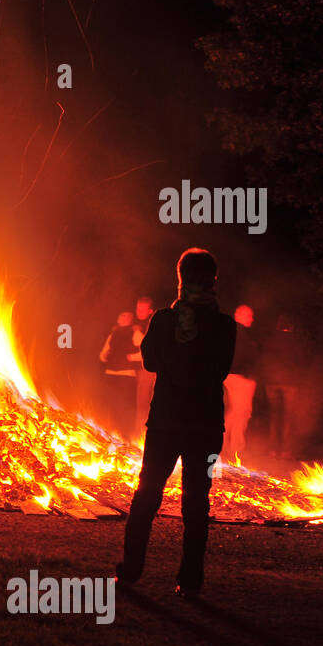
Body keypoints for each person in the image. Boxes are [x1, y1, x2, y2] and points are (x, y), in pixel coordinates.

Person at [116, 248, 237, 598]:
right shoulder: (224, 325)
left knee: (146, 495)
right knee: (197, 502)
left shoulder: (164, 319)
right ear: (213, 280)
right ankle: (190, 581)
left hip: (166, 422)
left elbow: (151, 363)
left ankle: (129, 572)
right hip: (206, 426)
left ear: (180, 278)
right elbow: (220, 371)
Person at [262, 313, 306, 459]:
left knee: (274, 417)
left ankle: (272, 450)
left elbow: (265, 359)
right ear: (291, 326)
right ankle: (286, 450)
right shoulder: (295, 341)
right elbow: (301, 360)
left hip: (272, 382)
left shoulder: (270, 339)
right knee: (287, 417)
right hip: (290, 383)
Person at [222, 304, 259, 462]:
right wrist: (249, 377)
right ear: (239, 315)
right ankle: (234, 448)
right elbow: (243, 357)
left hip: (233, 376)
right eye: (249, 315)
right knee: (241, 413)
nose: (252, 319)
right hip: (239, 377)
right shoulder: (239, 333)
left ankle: (227, 446)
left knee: (237, 412)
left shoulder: (231, 332)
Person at [98, 311, 137, 438]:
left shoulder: (135, 333)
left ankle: (124, 435)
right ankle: (110, 433)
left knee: (124, 407)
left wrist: (132, 357)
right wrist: (106, 357)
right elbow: (102, 355)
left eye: (124, 315)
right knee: (110, 405)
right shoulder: (113, 334)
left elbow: (146, 351)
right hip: (111, 374)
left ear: (131, 320)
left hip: (126, 376)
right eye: (120, 315)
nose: (121, 317)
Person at [131, 296, 156, 441]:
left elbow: (147, 346)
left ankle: (143, 434)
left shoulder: (150, 324)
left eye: (142, 309)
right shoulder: (136, 324)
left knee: (146, 401)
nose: (138, 312)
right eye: (137, 308)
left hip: (150, 368)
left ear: (150, 311)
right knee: (142, 401)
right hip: (143, 369)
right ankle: (139, 433)